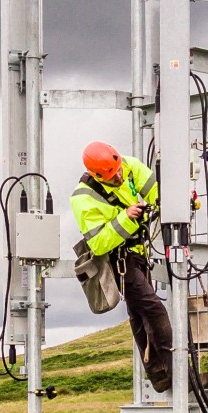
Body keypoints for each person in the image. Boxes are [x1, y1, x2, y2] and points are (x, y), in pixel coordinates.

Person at [71, 141, 175, 393]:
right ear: (96, 175)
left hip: (139, 253)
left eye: (118, 171)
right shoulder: (83, 198)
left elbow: (157, 190)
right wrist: (126, 218)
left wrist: (171, 205)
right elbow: (97, 243)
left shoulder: (128, 165)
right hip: (118, 260)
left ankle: (161, 376)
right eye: (112, 177)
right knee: (153, 309)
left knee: (140, 314)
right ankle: (179, 373)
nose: (119, 177)